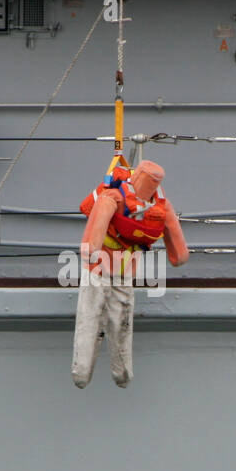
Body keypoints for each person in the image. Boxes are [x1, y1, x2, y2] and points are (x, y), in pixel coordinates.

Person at [72, 158, 188, 388]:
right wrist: (91, 249)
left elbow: (90, 242)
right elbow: (180, 255)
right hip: (115, 272)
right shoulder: (158, 207)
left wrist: (90, 250)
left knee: (96, 321)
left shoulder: (116, 199)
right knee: (115, 324)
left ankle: (83, 374)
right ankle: (116, 375)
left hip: (106, 271)